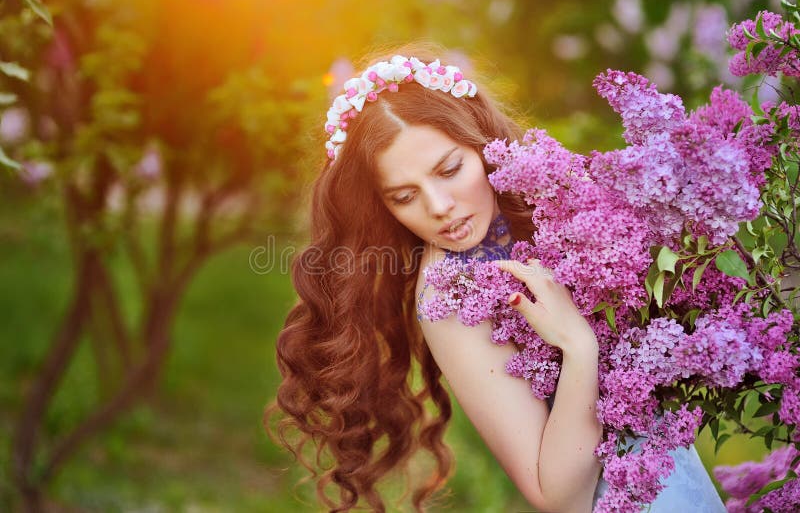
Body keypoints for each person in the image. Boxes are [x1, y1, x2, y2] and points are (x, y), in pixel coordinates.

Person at [268, 45, 725, 512]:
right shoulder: (450, 293)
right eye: (404, 197)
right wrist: (579, 348)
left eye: (449, 170)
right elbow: (558, 497)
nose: (439, 206)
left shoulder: (542, 201)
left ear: (482, 143)